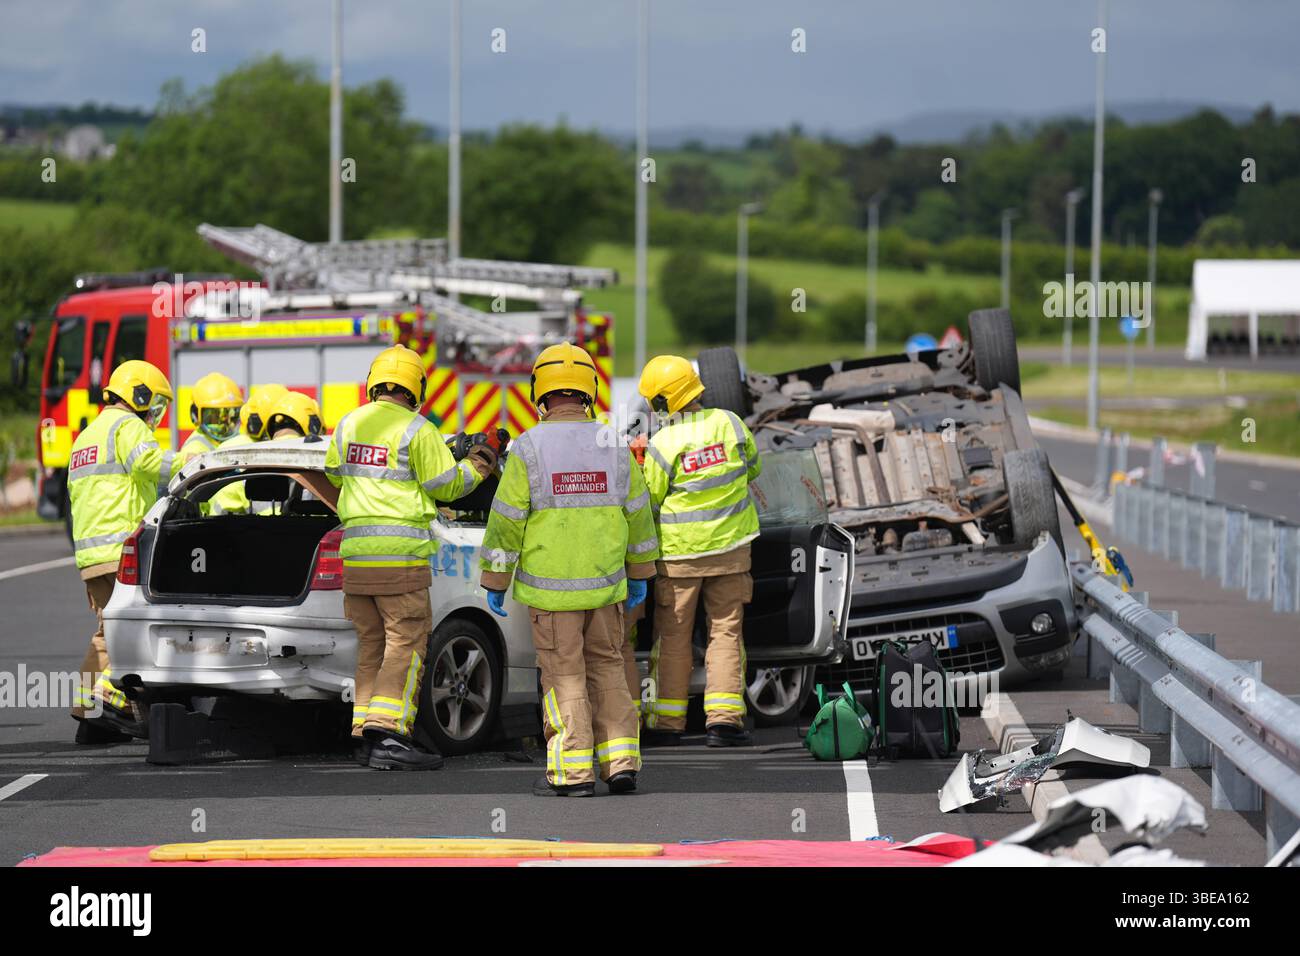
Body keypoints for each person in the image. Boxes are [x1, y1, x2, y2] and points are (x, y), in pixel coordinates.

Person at [480, 343, 658, 796]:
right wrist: (640, 573)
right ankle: (621, 763)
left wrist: (496, 580)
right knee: (608, 670)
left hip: (551, 597)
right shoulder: (614, 445)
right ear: (589, 389)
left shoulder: (528, 448)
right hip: (606, 591)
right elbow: (639, 513)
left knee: (565, 677)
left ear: (540, 391)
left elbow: (506, 521)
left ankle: (572, 773)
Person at [325, 345, 496, 770]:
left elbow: (333, 471)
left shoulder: (349, 423)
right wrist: (479, 462)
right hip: (400, 558)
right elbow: (447, 486)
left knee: (372, 646)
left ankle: (365, 733)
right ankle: (391, 737)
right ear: (415, 387)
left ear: (374, 382)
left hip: (356, 559)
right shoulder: (417, 430)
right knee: (406, 643)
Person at [637, 354, 761, 748]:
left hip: (678, 559)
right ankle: (724, 722)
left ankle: (667, 724)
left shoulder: (661, 443)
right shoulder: (730, 424)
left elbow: (649, 498)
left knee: (672, 637)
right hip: (731, 552)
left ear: (661, 402)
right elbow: (752, 468)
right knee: (725, 632)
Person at [67, 360, 173, 743]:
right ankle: (109, 700)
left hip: (90, 557)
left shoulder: (86, 436)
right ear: (139, 395)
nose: (155, 415)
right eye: (156, 404)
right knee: (131, 629)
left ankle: (88, 714)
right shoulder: (128, 426)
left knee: (106, 632)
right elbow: (148, 464)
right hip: (120, 550)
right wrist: (191, 464)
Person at [207, 383, 288, 515]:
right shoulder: (257, 453)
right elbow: (270, 513)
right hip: (241, 528)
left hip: (218, 527)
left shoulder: (232, 445)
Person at [171, 372, 244, 473]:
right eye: (214, 417)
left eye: (232, 416)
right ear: (196, 414)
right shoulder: (194, 449)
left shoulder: (238, 438)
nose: (224, 426)